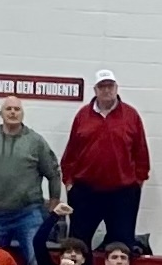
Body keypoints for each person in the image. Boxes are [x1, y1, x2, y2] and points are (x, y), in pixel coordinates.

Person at [0, 96, 64, 265]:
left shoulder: (36, 141)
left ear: (22, 114)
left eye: (17, 109)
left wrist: (53, 208)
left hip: (29, 214)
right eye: (8, 109)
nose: (12, 112)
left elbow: (54, 174)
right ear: (1, 113)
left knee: (36, 262)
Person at [61, 70, 150, 252]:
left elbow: (141, 153)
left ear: (116, 88)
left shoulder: (131, 116)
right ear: (95, 90)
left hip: (122, 193)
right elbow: (71, 152)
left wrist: (136, 183)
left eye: (110, 86)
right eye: (102, 86)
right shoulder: (82, 116)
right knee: (78, 244)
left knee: (121, 246)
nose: (107, 90)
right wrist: (69, 183)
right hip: (85, 192)